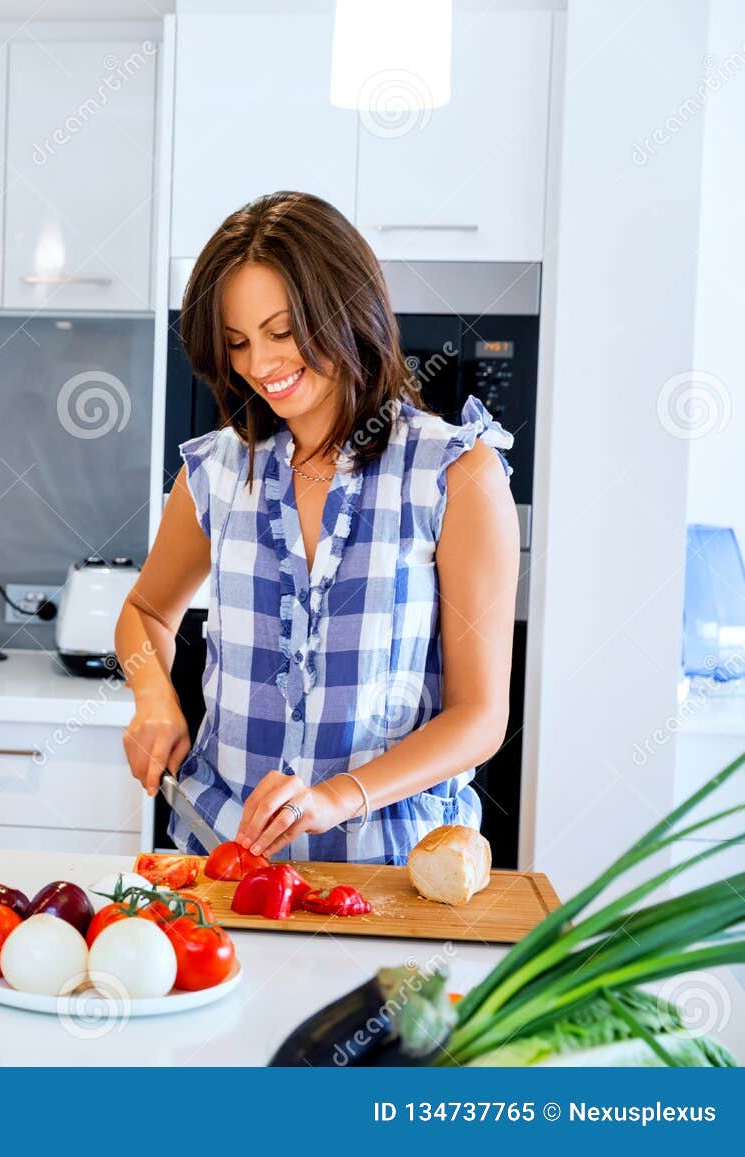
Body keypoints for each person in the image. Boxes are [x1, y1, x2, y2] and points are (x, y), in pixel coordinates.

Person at [114, 191, 518, 864]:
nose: (261, 364)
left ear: (345, 307)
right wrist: (153, 696)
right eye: (238, 343)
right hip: (225, 859)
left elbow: (479, 718)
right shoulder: (217, 469)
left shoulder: (454, 471)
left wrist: (337, 796)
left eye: (281, 332)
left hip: (393, 871)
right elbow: (144, 611)